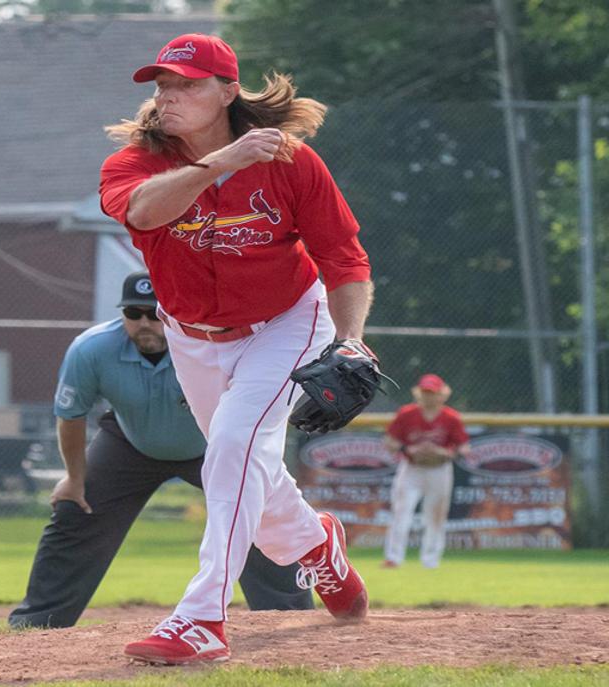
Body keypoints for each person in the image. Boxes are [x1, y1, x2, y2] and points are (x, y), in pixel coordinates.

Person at [99, 33, 374, 664]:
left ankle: (201, 620)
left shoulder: (291, 161)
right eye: (163, 85)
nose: (170, 97)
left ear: (227, 91)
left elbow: (343, 258)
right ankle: (317, 545)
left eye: (188, 85)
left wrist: (352, 339)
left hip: (287, 322)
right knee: (250, 461)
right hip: (192, 334)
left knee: (231, 447)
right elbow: (142, 215)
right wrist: (222, 161)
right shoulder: (135, 161)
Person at [8, 271, 313, 630]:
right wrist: (75, 479)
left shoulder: (213, 345)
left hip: (212, 444)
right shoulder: (92, 349)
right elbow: (70, 416)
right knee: (75, 507)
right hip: (130, 443)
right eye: (133, 314)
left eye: (154, 313)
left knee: (263, 513)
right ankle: (37, 625)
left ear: (175, 312)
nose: (143, 323)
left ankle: (288, 621)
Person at [381, 373, 472, 569]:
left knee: (435, 516)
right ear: (418, 393)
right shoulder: (406, 413)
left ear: (442, 394)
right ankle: (393, 558)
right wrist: (407, 449)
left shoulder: (451, 417)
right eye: (425, 392)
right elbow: (389, 441)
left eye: (432, 392)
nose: (428, 396)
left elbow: (464, 447)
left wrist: (444, 452)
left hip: (439, 470)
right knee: (401, 512)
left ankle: (430, 561)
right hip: (411, 468)